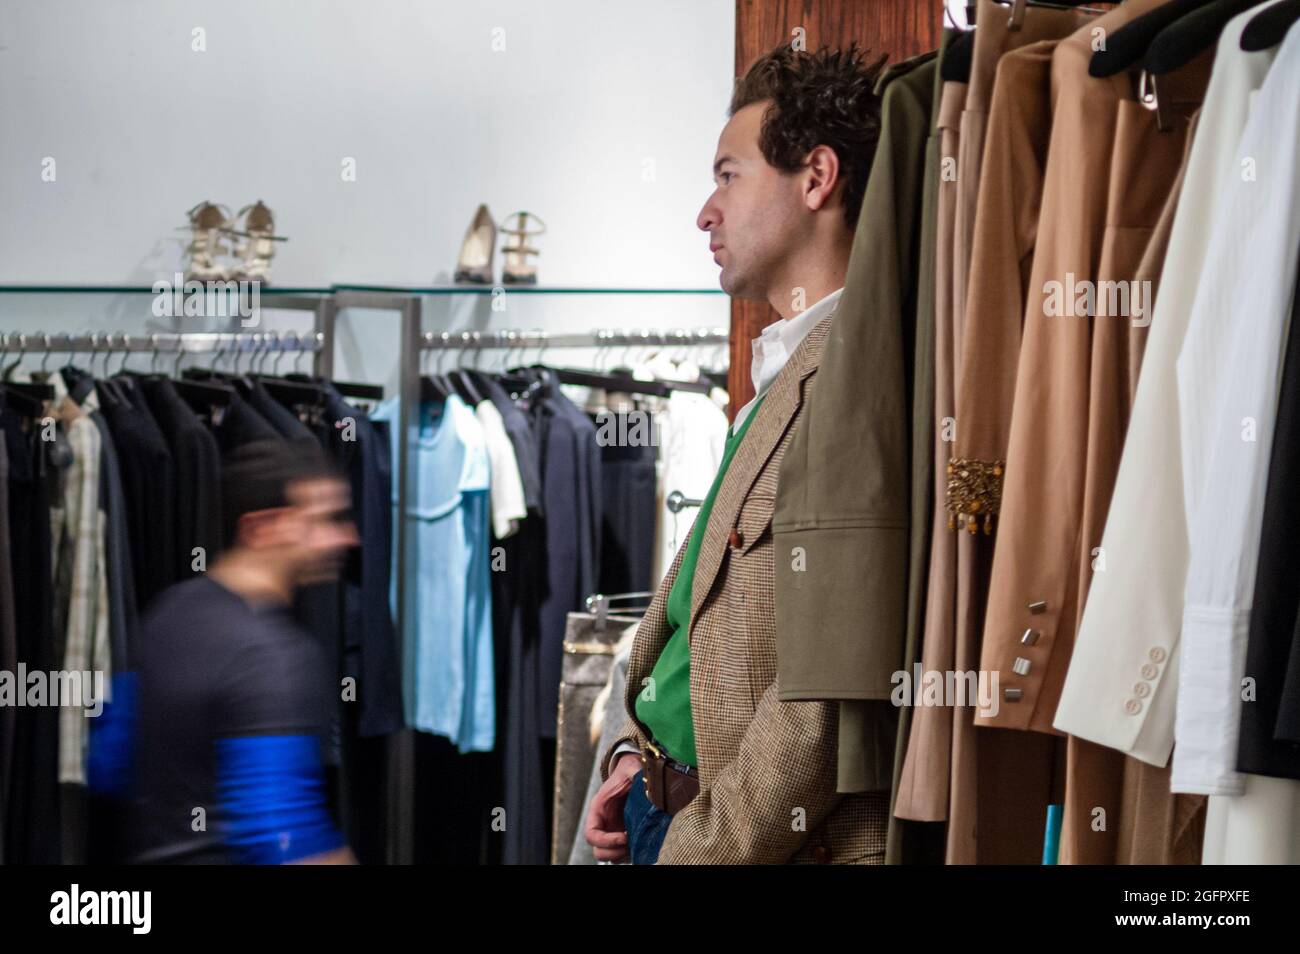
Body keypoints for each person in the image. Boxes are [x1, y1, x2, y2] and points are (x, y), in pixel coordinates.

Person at [583, 42, 889, 864]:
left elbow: (826, 687)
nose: (705, 212)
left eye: (728, 176)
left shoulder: (852, 380)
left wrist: (696, 846)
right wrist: (627, 753)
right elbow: (697, 610)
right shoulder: (783, 372)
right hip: (661, 803)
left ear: (816, 178)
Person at [130, 439, 358, 864]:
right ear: (261, 527)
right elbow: (281, 833)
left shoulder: (163, 615)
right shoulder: (270, 653)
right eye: (325, 520)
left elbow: (111, 762)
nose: (346, 537)